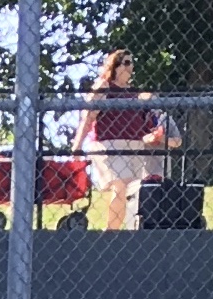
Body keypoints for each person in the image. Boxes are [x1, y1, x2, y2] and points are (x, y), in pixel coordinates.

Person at [76, 51, 180, 230]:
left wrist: (154, 135)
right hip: (108, 144)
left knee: (130, 189)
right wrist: (77, 145)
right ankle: (111, 233)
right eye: (125, 62)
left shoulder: (134, 93)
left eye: (131, 62)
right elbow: (88, 117)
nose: (130, 67)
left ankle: (125, 230)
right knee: (120, 185)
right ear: (114, 66)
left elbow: (144, 124)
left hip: (134, 147)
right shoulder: (104, 86)